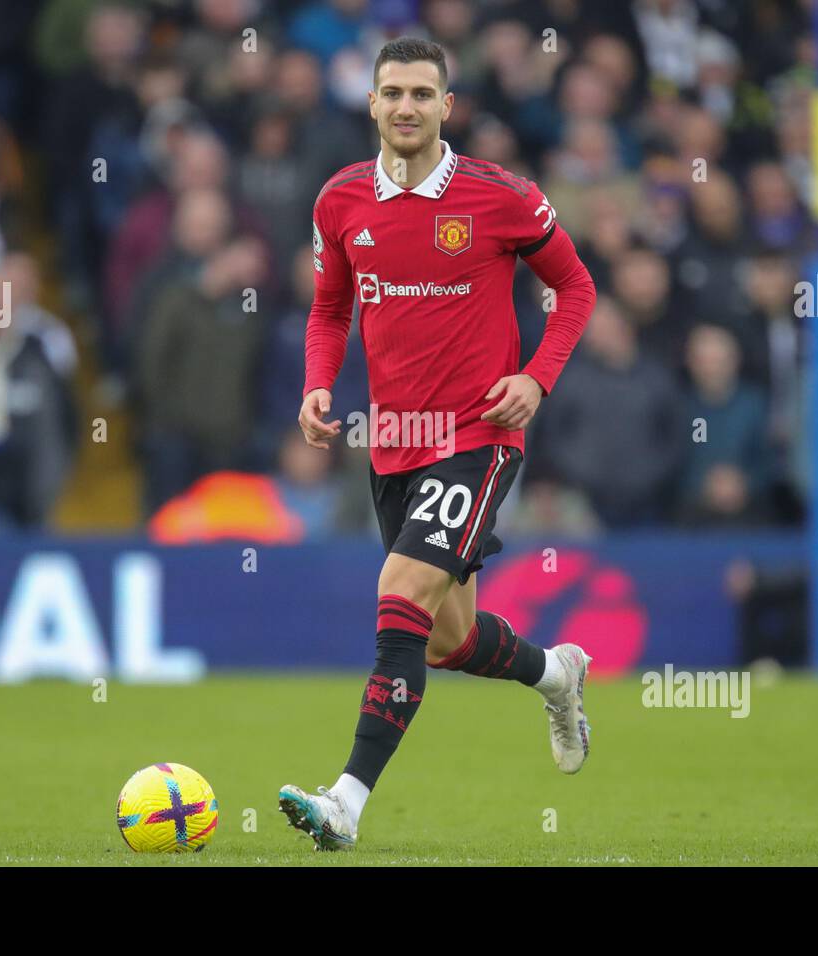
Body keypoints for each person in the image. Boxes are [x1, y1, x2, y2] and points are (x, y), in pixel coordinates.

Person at [279, 38, 597, 850]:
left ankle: (347, 799)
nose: (408, 106)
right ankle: (558, 675)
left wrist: (537, 378)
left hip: (480, 435)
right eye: (393, 93)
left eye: (424, 92)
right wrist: (320, 381)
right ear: (374, 105)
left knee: (399, 592)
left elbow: (575, 286)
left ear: (447, 105)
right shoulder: (340, 202)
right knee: (450, 639)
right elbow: (329, 310)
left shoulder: (503, 196)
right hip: (393, 440)